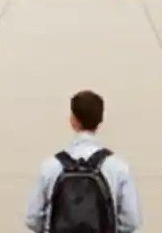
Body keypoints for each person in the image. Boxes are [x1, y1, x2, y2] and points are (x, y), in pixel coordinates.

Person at [25, 90, 142, 233]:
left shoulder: (50, 167)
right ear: (100, 121)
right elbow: (131, 221)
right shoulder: (118, 167)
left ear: (72, 120)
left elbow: (32, 219)